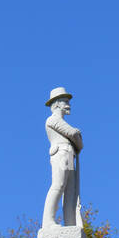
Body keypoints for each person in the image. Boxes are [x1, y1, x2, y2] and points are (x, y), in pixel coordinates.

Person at [42, 87, 82, 227]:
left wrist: (77, 137)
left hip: (69, 154)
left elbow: (79, 142)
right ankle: (48, 221)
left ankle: (71, 224)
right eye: (66, 101)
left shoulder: (59, 121)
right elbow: (73, 134)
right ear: (57, 103)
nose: (68, 105)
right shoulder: (52, 120)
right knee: (58, 185)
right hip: (61, 153)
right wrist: (76, 134)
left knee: (70, 192)